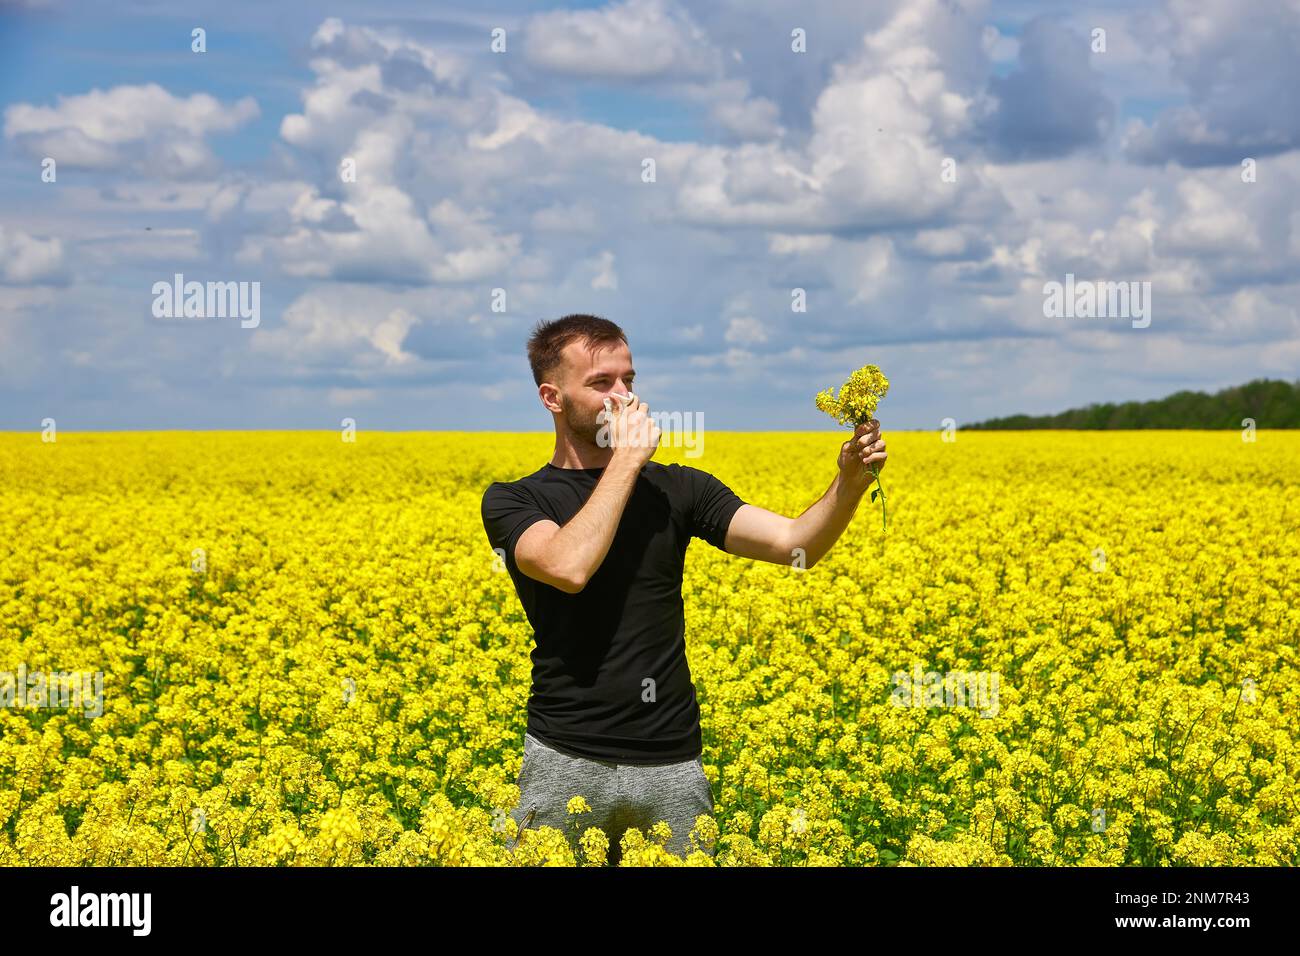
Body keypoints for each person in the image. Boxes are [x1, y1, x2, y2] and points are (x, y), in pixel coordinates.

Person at [481, 313, 888, 865]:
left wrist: (850, 483)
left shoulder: (681, 488)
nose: (623, 397)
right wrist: (626, 460)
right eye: (601, 384)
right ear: (552, 397)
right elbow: (568, 566)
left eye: (629, 379)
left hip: (671, 763)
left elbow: (798, 545)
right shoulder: (514, 500)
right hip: (565, 757)